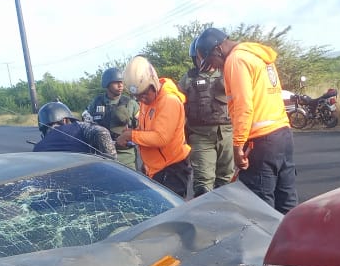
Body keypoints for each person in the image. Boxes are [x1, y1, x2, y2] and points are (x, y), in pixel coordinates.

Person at [194, 26, 297, 214]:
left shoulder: (236, 60)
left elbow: (243, 106)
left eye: (212, 61)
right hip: (283, 134)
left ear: (218, 49)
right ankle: (292, 242)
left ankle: (266, 244)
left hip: (261, 141)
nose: (215, 67)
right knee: (286, 200)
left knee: (260, 205)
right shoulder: (257, 55)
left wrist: (238, 145)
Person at [115, 55, 192, 198]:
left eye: (144, 94)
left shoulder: (169, 101)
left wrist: (131, 135)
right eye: (137, 96)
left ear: (153, 83)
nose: (142, 99)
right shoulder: (147, 102)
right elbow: (148, 131)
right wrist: (134, 134)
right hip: (155, 168)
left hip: (172, 168)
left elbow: (161, 137)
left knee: (171, 214)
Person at [178, 38, 234, 196]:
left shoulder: (227, 72)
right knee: (203, 182)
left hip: (228, 133)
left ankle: (226, 216)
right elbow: (177, 105)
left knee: (227, 179)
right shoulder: (188, 78)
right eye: (199, 56)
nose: (202, 59)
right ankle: (205, 218)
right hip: (200, 135)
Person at [84, 67, 140, 168]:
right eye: (116, 82)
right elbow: (85, 126)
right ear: (107, 84)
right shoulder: (96, 103)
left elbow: (143, 128)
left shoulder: (130, 104)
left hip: (126, 157)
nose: (120, 85)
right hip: (102, 156)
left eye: (122, 82)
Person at [33, 101, 115, 158]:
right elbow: (102, 132)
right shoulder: (79, 127)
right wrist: (111, 162)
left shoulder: (38, 148)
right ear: (65, 120)